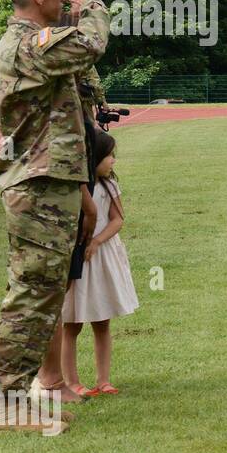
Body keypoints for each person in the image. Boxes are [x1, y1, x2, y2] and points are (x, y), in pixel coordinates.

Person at [0, 0, 109, 433]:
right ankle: (3, 404)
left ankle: (16, 398)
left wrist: (81, 191)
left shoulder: (34, 44)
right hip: (36, 187)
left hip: (48, 184)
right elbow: (91, 44)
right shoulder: (29, 44)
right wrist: (93, 6)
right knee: (32, 294)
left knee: (43, 293)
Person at [55, 129, 138, 397]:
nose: (113, 160)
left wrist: (97, 241)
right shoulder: (76, 188)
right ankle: (72, 381)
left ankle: (104, 380)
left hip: (100, 257)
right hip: (78, 259)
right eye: (109, 155)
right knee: (72, 323)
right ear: (95, 157)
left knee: (102, 321)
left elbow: (117, 219)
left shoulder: (109, 186)